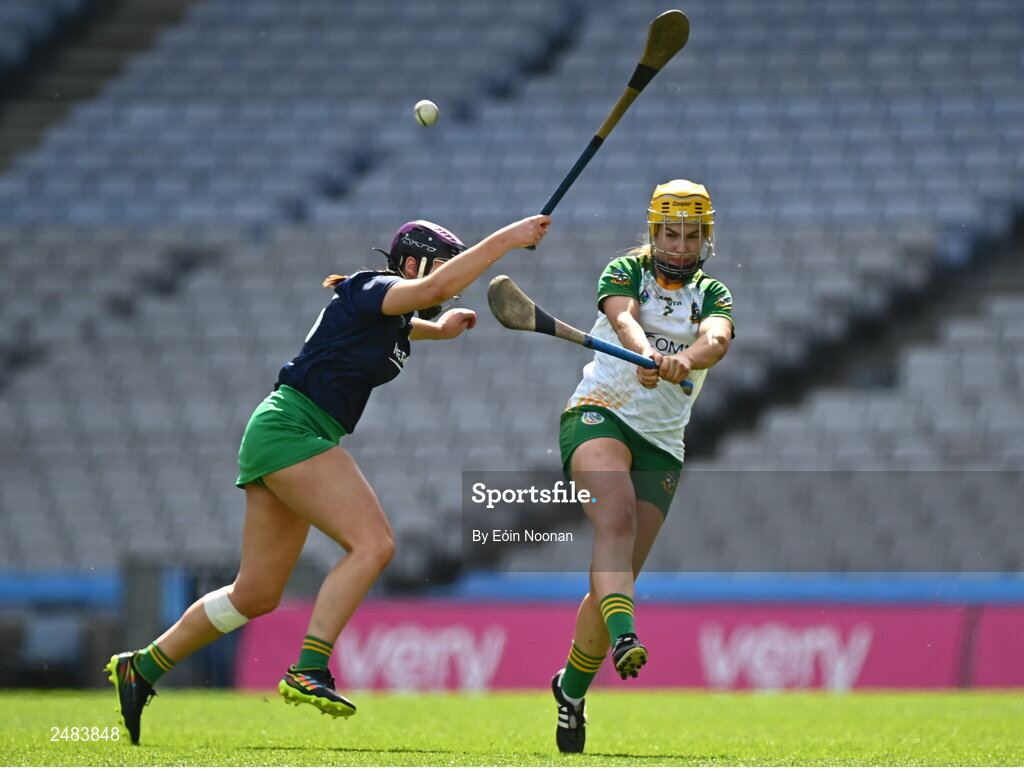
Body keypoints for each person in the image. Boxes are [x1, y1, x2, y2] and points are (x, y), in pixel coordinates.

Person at [105, 214, 551, 745]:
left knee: (255, 594)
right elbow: (436, 288)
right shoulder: (373, 285)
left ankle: (143, 667)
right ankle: (309, 667)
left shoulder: (386, 313)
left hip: (284, 430)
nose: (442, 276)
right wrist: (509, 236)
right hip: (295, 429)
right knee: (374, 545)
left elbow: (410, 318)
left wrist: (441, 328)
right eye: (437, 263)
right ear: (409, 263)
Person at [549, 180, 733, 753]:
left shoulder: (712, 292)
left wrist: (686, 361)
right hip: (599, 413)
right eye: (669, 233)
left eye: (690, 235)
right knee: (617, 524)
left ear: (706, 238)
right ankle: (628, 636)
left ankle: (571, 691)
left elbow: (717, 339)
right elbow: (625, 319)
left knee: (618, 575)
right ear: (652, 232)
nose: (679, 245)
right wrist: (646, 353)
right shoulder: (625, 270)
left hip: (662, 441)